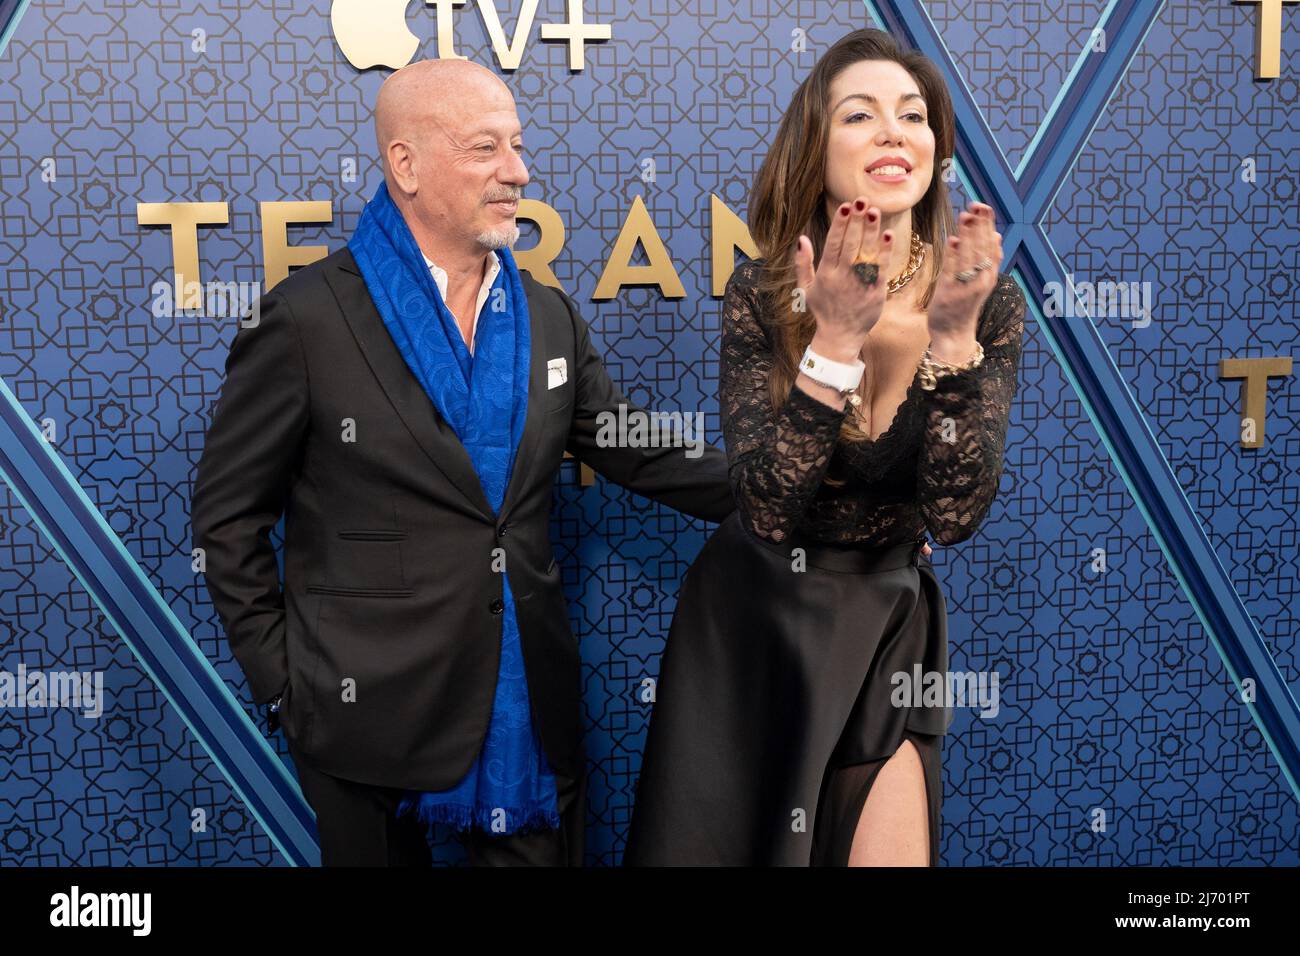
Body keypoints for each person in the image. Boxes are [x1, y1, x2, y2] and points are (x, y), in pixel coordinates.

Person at [190, 58, 734, 866]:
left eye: (517, 145)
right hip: (360, 714)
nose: (518, 171)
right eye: (487, 148)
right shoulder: (307, 320)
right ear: (405, 165)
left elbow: (638, 452)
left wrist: (810, 495)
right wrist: (285, 685)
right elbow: (228, 520)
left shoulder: (546, 316)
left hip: (528, 712)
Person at [624, 28, 1025, 866]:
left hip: (888, 630)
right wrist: (834, 344)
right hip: (755, 627)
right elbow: (769, 507)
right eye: (860, 115)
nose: (893, 133)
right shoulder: (764, 291)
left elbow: (955, 516)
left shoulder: (984, 302)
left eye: (912, 115)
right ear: (817, 147)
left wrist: (954, 346)